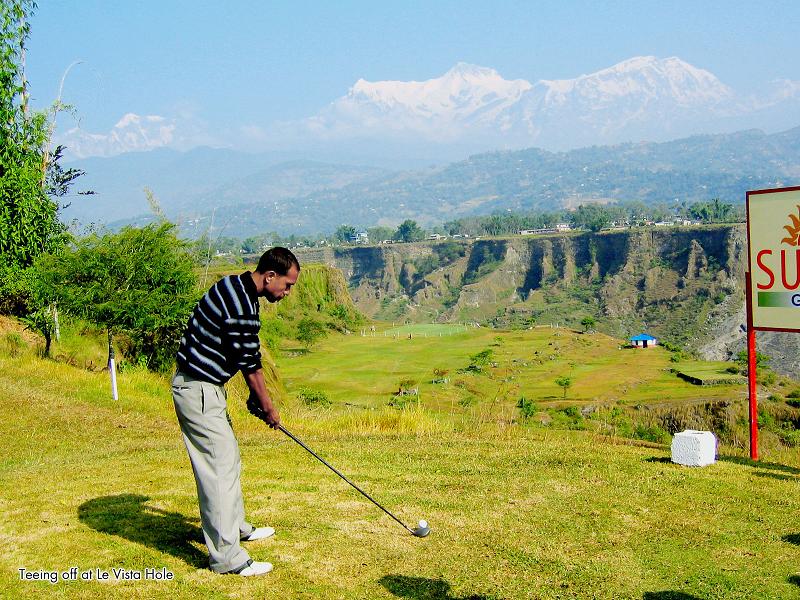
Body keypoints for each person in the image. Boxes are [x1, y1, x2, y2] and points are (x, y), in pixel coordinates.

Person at [171, 247, 300, 577]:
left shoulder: (234, 286)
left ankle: (237, 527)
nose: (286, 293)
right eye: (286, 285)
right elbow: (251, 366)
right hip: (198, 389)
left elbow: (237, 352)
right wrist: (269, 408)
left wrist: (256, 402)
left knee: (227, 460)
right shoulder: (243, 305)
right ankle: (227, 558)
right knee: (218, 469)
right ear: (269, 276)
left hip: (205, 387)